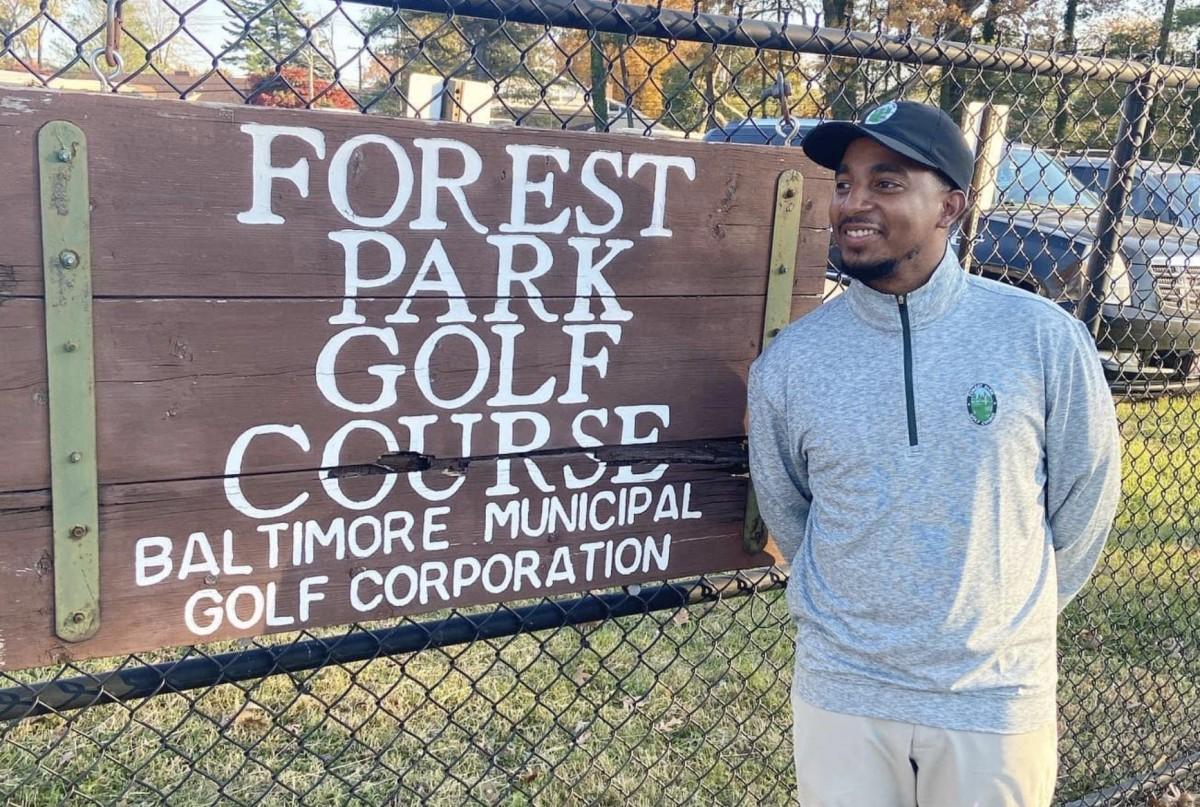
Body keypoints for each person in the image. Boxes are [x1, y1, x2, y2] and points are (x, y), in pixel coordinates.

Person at [746, 100, 1123, 806]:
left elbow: (1086, 498)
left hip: (996, 698)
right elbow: (790, 510)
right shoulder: (792, 363)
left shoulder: (1040, 339)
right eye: (846, 182)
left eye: (886, 183)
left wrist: (1005, 617)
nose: (854, 203)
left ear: (949, 206)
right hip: (846, 692)